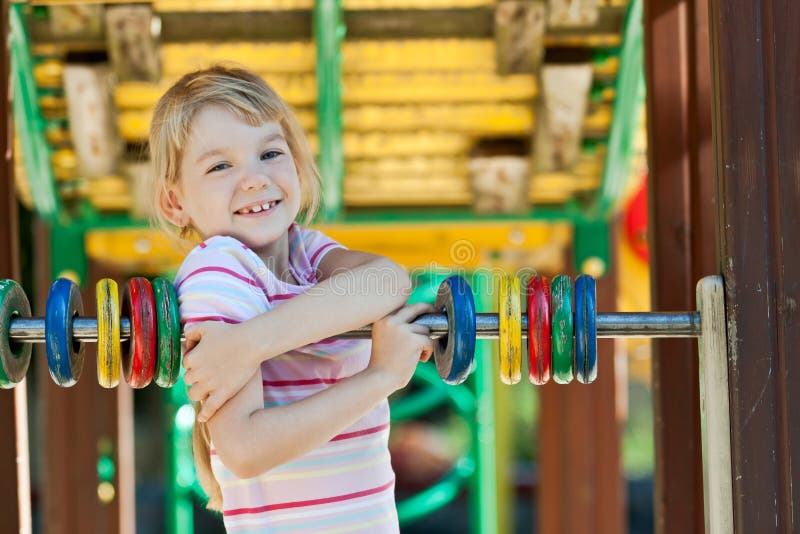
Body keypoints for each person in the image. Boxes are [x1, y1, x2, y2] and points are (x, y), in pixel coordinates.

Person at [147, 65, 434, 532]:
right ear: (175, 203)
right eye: (221, 165)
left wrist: (249, 344)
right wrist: (381, 376)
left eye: (270, 153)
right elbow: (246, 450)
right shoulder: (218, 268)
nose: (255, 179)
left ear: (297, 165)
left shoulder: (306, 252)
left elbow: (388, 282)